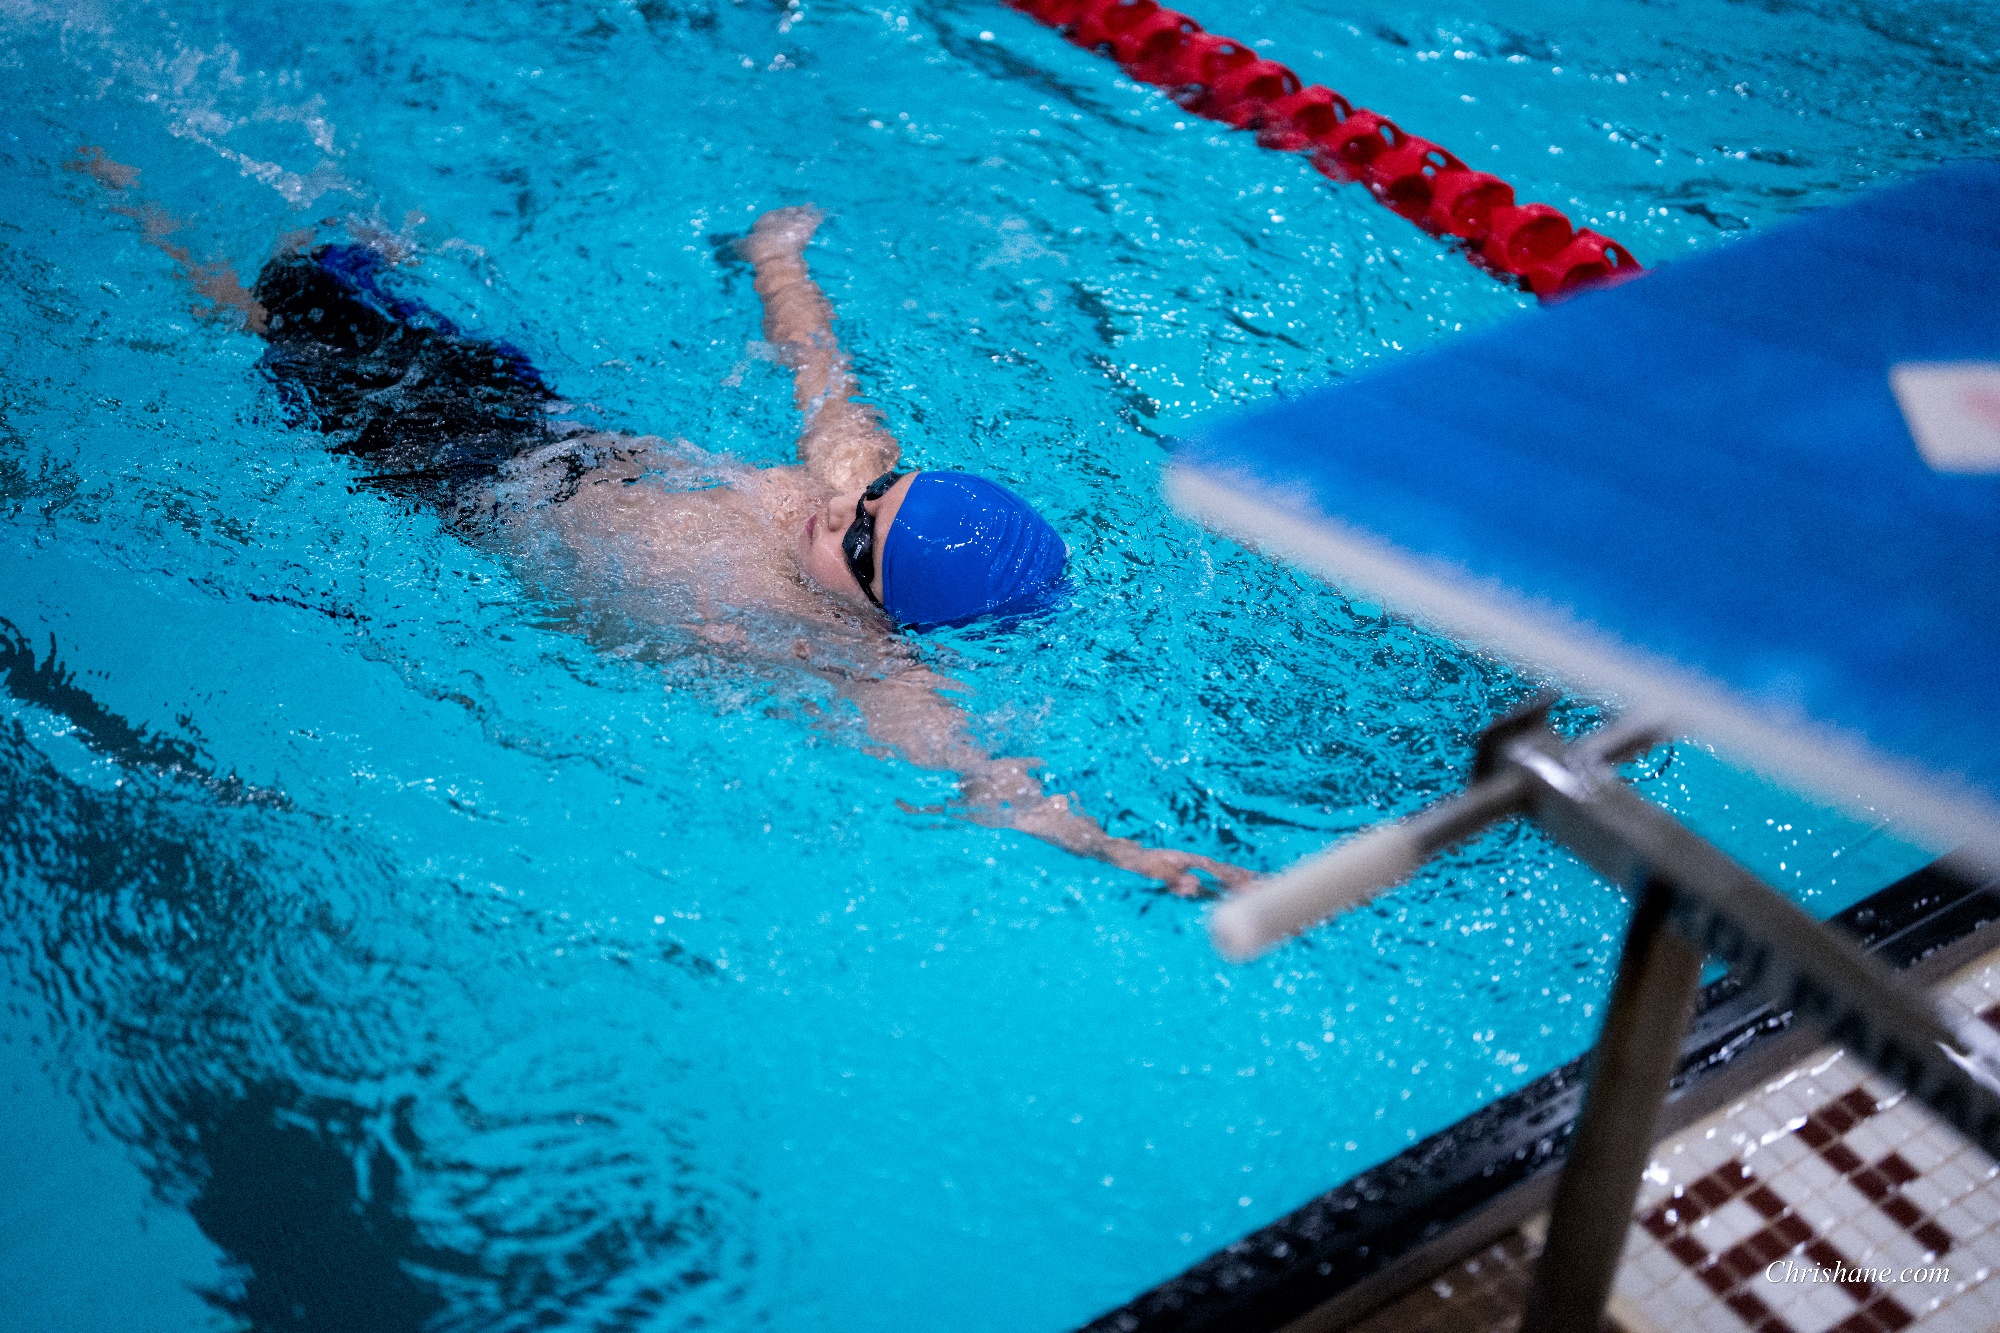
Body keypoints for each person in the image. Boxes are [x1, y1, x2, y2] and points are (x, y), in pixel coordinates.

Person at [235, 204, 1246, 895]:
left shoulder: (854, 662)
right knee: (352, 284)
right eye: (880, 494)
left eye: (861, 543)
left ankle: (142, 219)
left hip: (461, 487)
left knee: (260, 314)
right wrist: (776, 258)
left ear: (883, 615)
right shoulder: (844, 476)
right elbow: (816, 358)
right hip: (550, 429)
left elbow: (992, 781)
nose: (845, 508)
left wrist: (1120, 850)